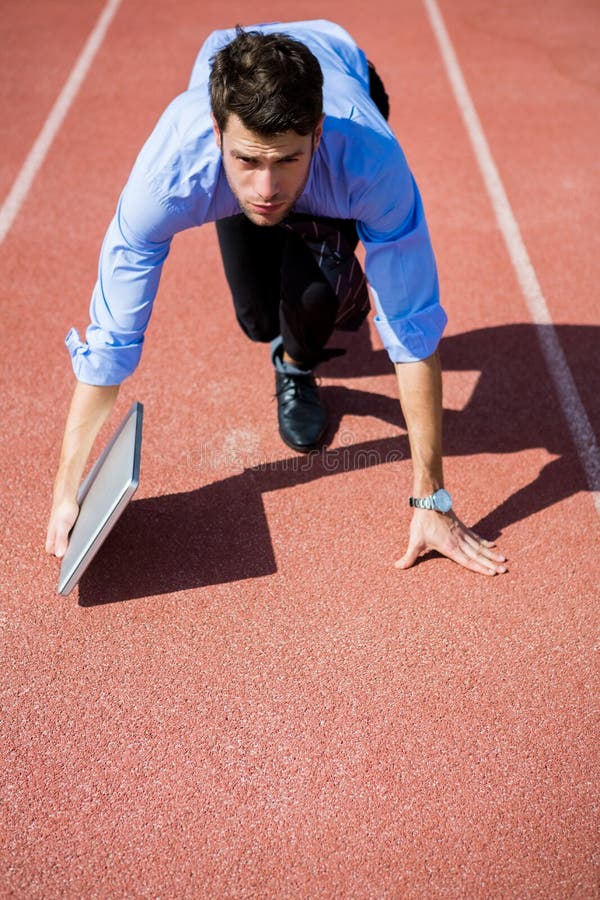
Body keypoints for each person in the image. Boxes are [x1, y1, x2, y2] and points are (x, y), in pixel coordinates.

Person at [45, 20, 507, 576]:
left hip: (342, 87)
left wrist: (431, 499)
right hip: (238, 154)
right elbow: (110, 342)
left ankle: (296, 363)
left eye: (285, 160)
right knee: (258, 318)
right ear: (217, 134)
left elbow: (411, 328)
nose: (266, 188)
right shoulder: (170, 176)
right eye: (248, 160)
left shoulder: (371, 164)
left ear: (317, 134)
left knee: (313, 297)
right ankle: (279, 294)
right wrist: (67, 488)